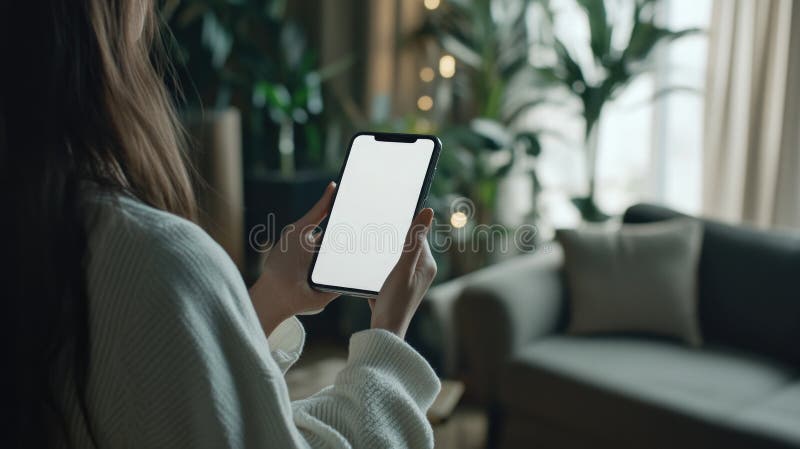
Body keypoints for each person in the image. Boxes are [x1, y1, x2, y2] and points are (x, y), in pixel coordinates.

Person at [1, 1, 440, 448]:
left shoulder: (41, 226)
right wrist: (388, 334)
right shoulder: (159, 258)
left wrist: (272, 298)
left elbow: (175, 399)